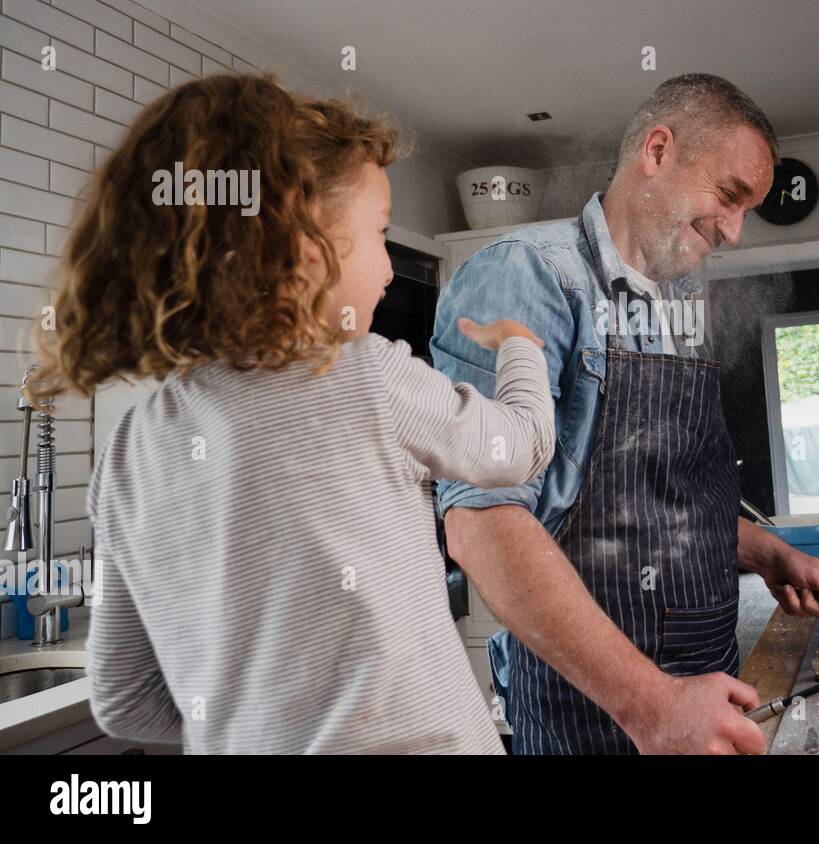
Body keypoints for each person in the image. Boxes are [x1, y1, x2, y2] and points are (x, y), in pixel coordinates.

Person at [33, 73, 555, 753]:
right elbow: (521, 445)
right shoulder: (365, 373)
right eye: (379, 232)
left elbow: (124, 698)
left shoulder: (129, 450)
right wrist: (521, 346)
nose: (392, 268)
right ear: (307, 245)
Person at [433, 73, 819, 754]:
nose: (736, 231)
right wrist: (651, 703)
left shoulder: (680, 302)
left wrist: (762, 550)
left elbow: (653, 506)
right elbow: (484, 525)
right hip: (596, 711)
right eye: (728, 196)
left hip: (702, 684)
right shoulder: (527, 277)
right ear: (657, 150)